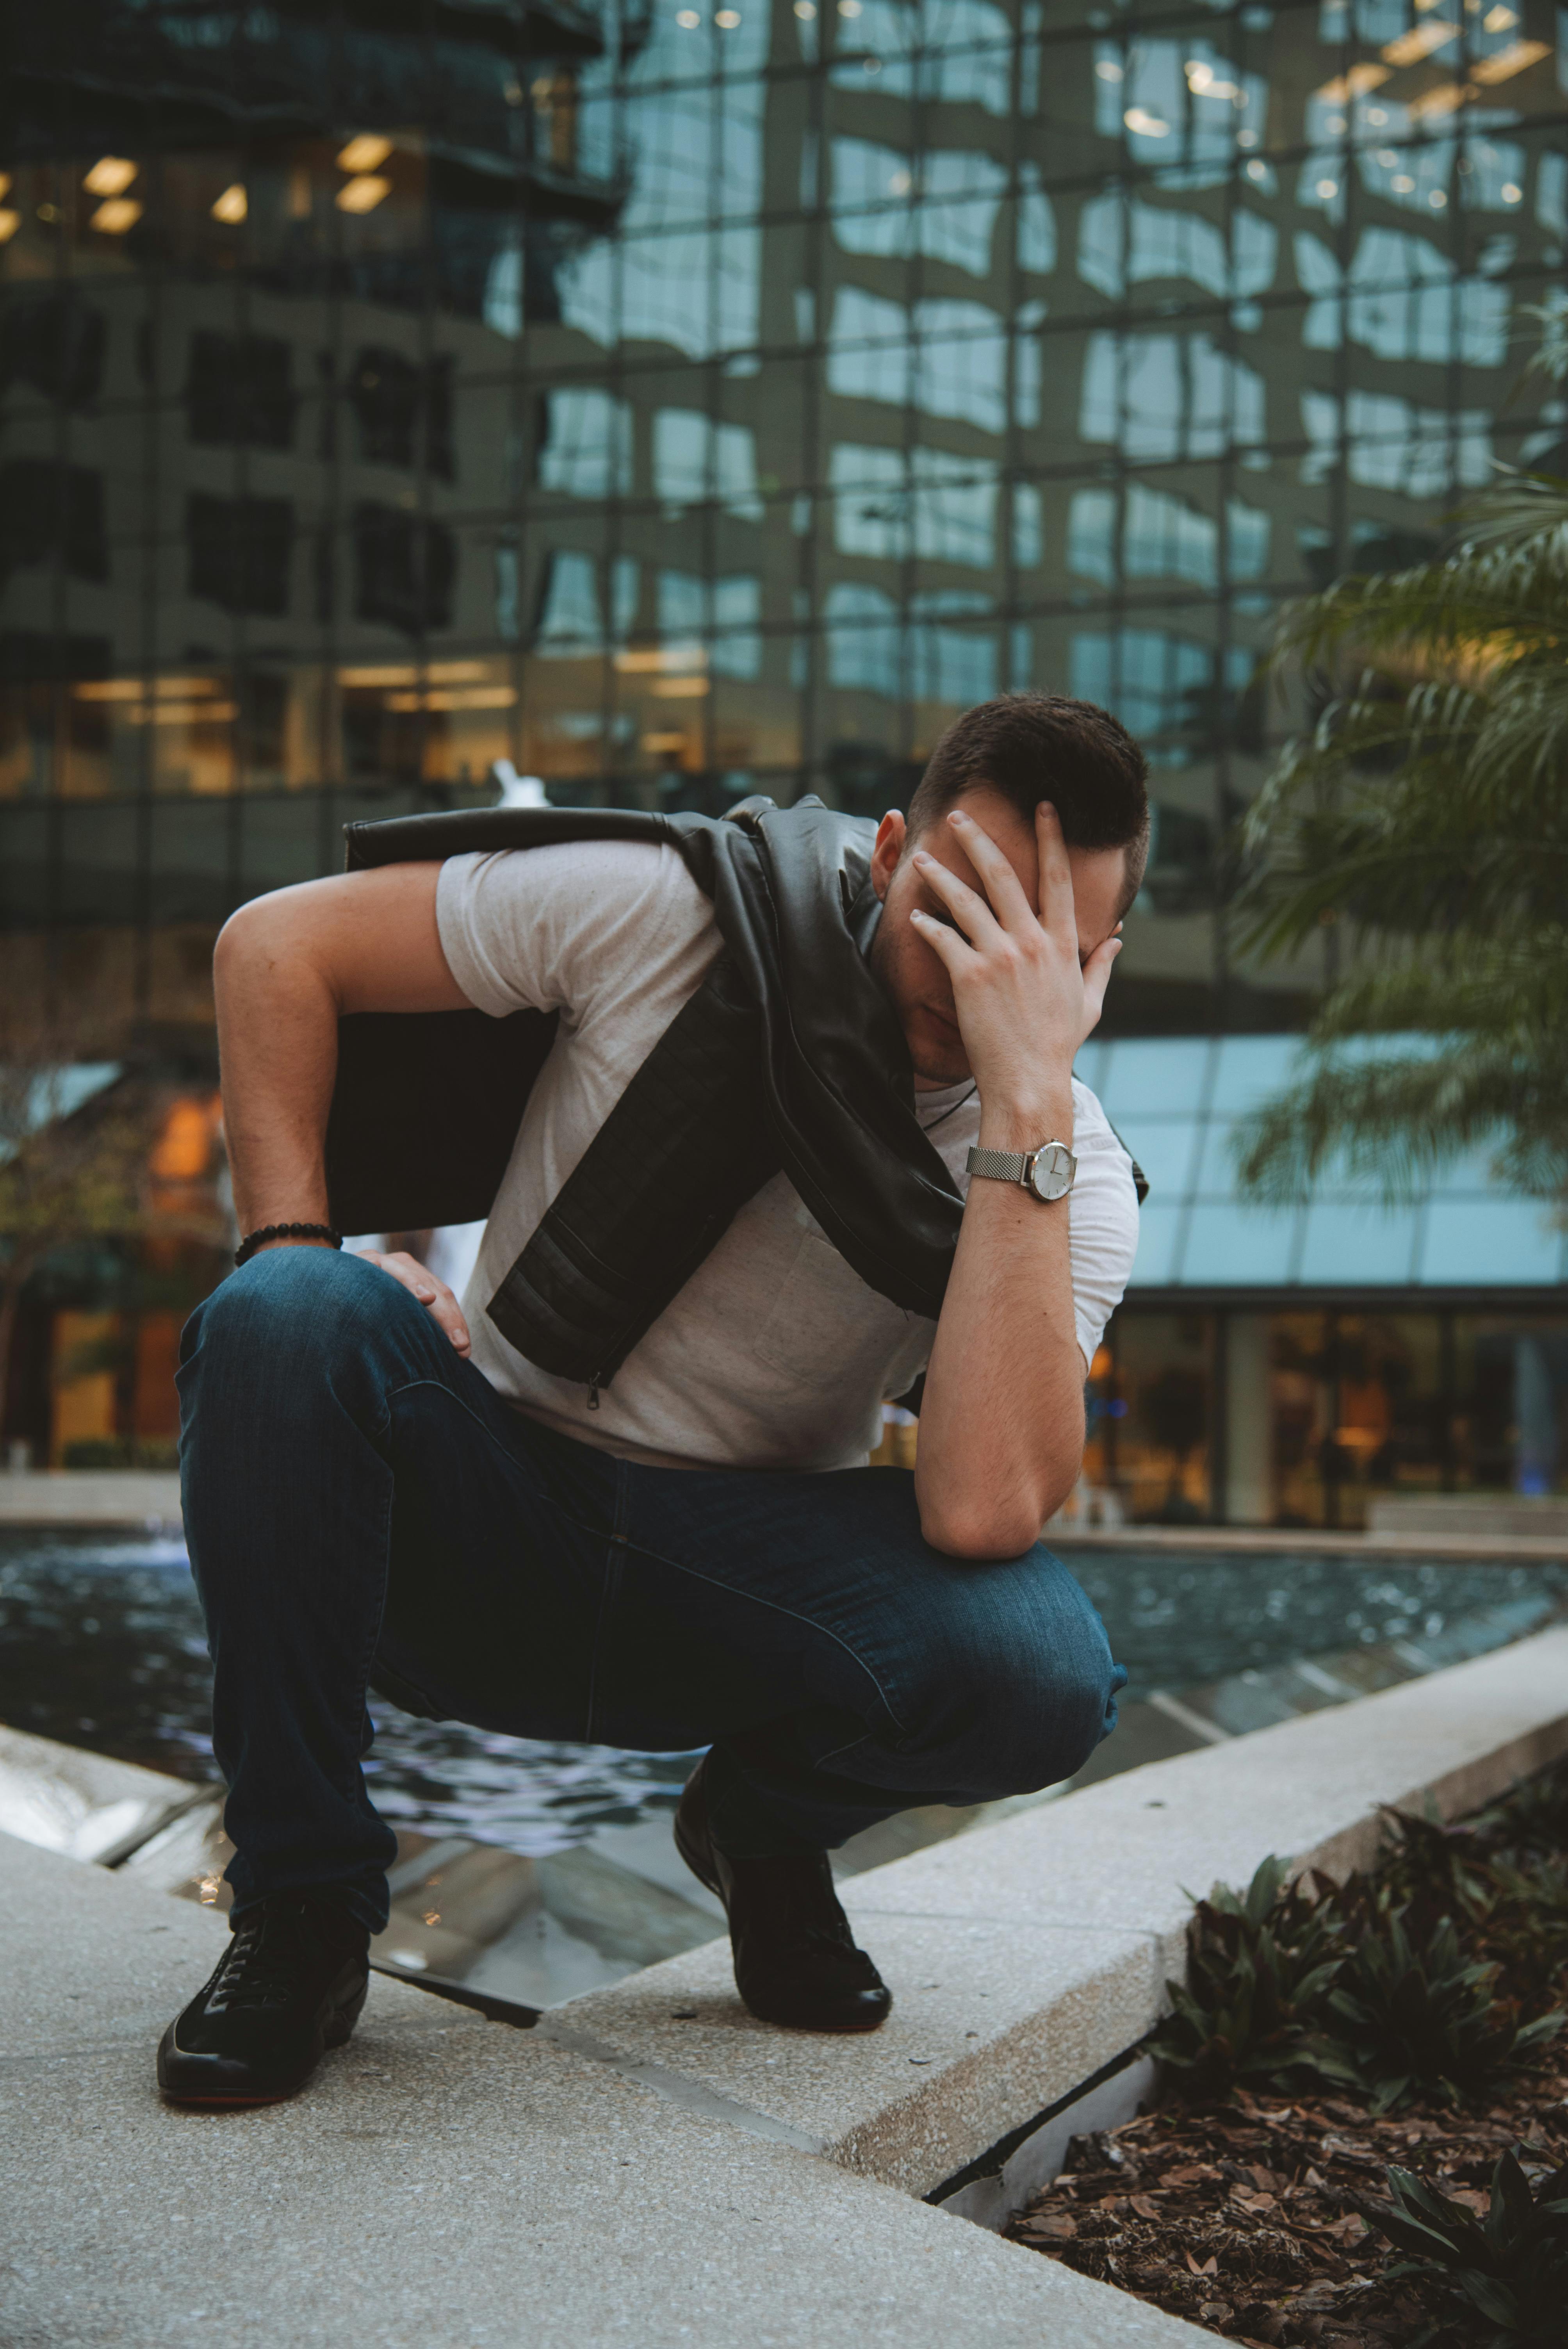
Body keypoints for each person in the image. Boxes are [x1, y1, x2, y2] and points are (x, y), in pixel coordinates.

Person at [157, 692, 1148, 2105]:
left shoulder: (1074, 1177)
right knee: (284, 1314)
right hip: (481, 1510)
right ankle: (303, 1913)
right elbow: (275, 946)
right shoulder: (682, 909)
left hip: (736, 1586)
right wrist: (306, 1244)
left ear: (1095, 964)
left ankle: (760, 1828)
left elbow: (986, 1506)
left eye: (1034, 935)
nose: (973, 959)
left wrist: (1025, 1102)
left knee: (1044, 1667)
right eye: (955, 896)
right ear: (885, 853)